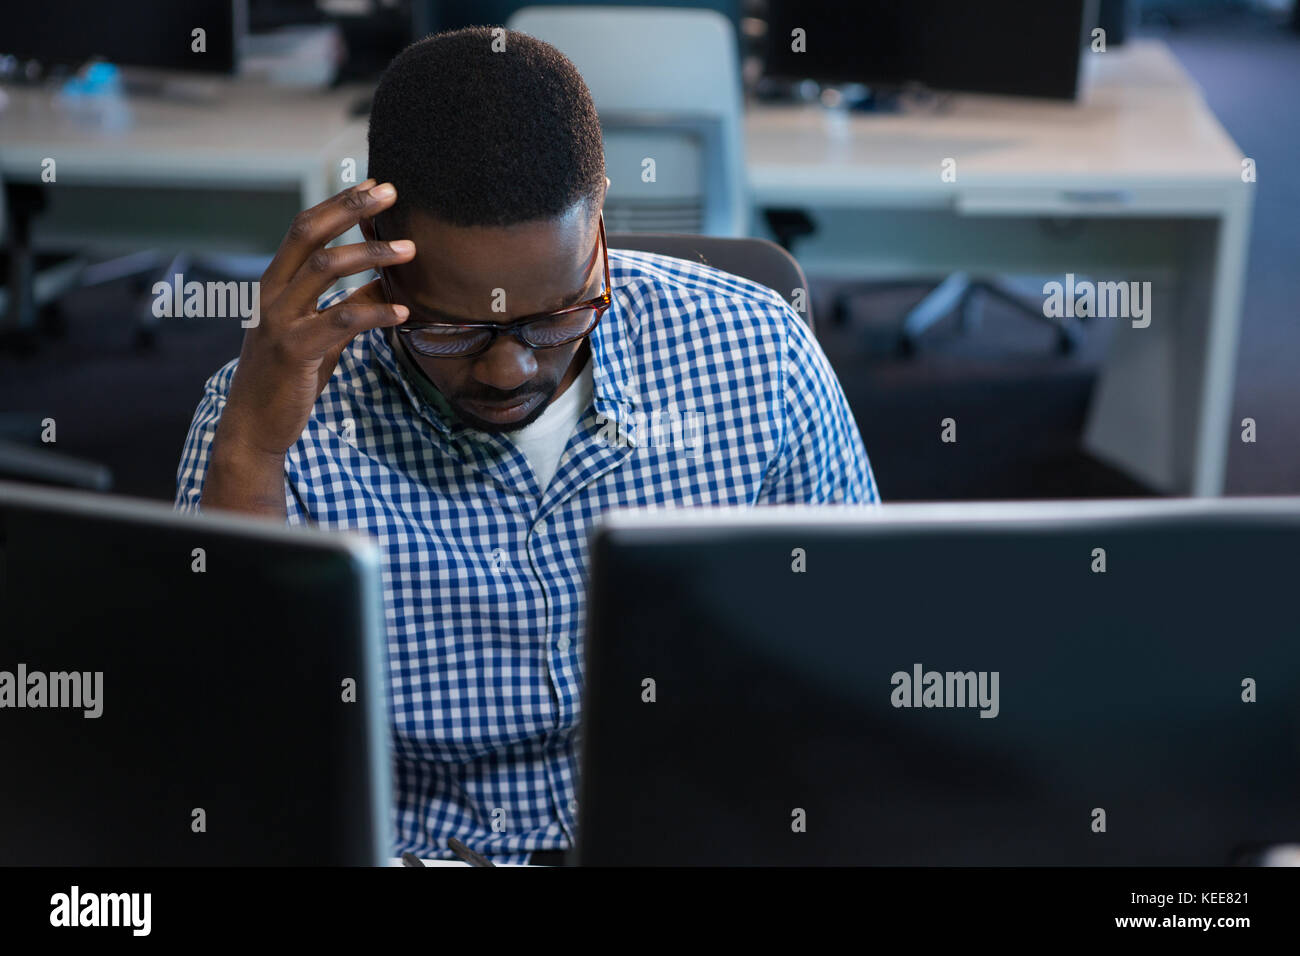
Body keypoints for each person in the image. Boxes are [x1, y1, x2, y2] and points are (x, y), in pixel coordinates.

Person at [176, 26, 878, 864]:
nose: (509, 370)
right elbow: (233, 760)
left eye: (558, 316)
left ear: (600, 218)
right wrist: (251, 452)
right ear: (378, 260)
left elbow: (858, 664)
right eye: (452, 328)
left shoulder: (758, 350)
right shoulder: (269, 415)